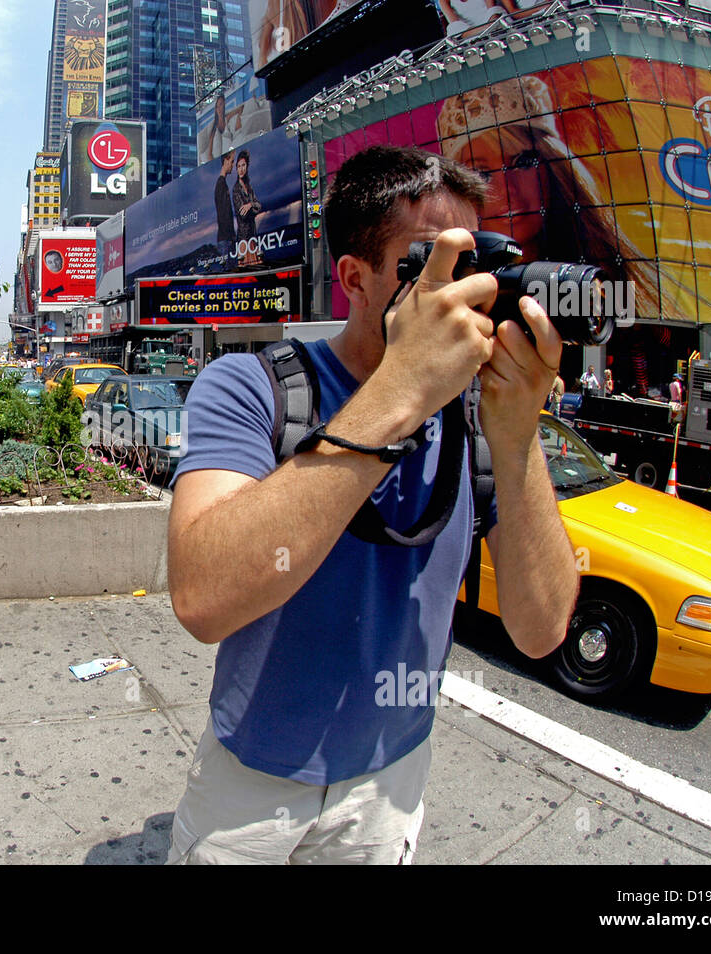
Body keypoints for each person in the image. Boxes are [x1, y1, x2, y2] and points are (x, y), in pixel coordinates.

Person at [164, 145, 577, 864]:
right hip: (252, 781)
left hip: (393, 776)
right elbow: (202, 597)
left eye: (478, 267)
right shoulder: (253, 387)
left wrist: (517, 438)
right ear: (355, 279)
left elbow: (541, 631)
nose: (466, 296)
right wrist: (398, 392)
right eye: (436, 270)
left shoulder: (478, 416)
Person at [231, 150, 262, 268]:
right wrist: (253, 206)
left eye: (243, 165)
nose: (241, 169)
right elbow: (243, 214)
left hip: (252, 236)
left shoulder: (249, 187)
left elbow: (259, 205)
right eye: (238, 166)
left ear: (247, 166)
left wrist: (250, 205)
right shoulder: (236, 189)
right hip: (243, 240)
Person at [214, 150, 236, 268]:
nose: (233, 165)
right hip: (226, 239)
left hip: (226, 239)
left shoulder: (221, 183)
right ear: (225, 161)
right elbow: (223, 214)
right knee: (230, 274)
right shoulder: (221, 184)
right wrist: (231, 236)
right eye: (232, 161)